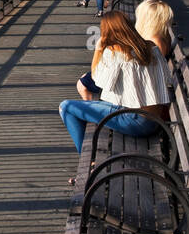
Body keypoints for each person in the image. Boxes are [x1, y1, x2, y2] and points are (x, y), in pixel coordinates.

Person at [59, 12, 172, 152]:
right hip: (154, 118)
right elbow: (166, 78)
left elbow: (97, 79)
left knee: (66, 107)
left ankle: (90, 161)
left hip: (135, 121)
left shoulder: (116, 51)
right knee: (90, 106)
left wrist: (99, 49)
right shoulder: (152, 48)